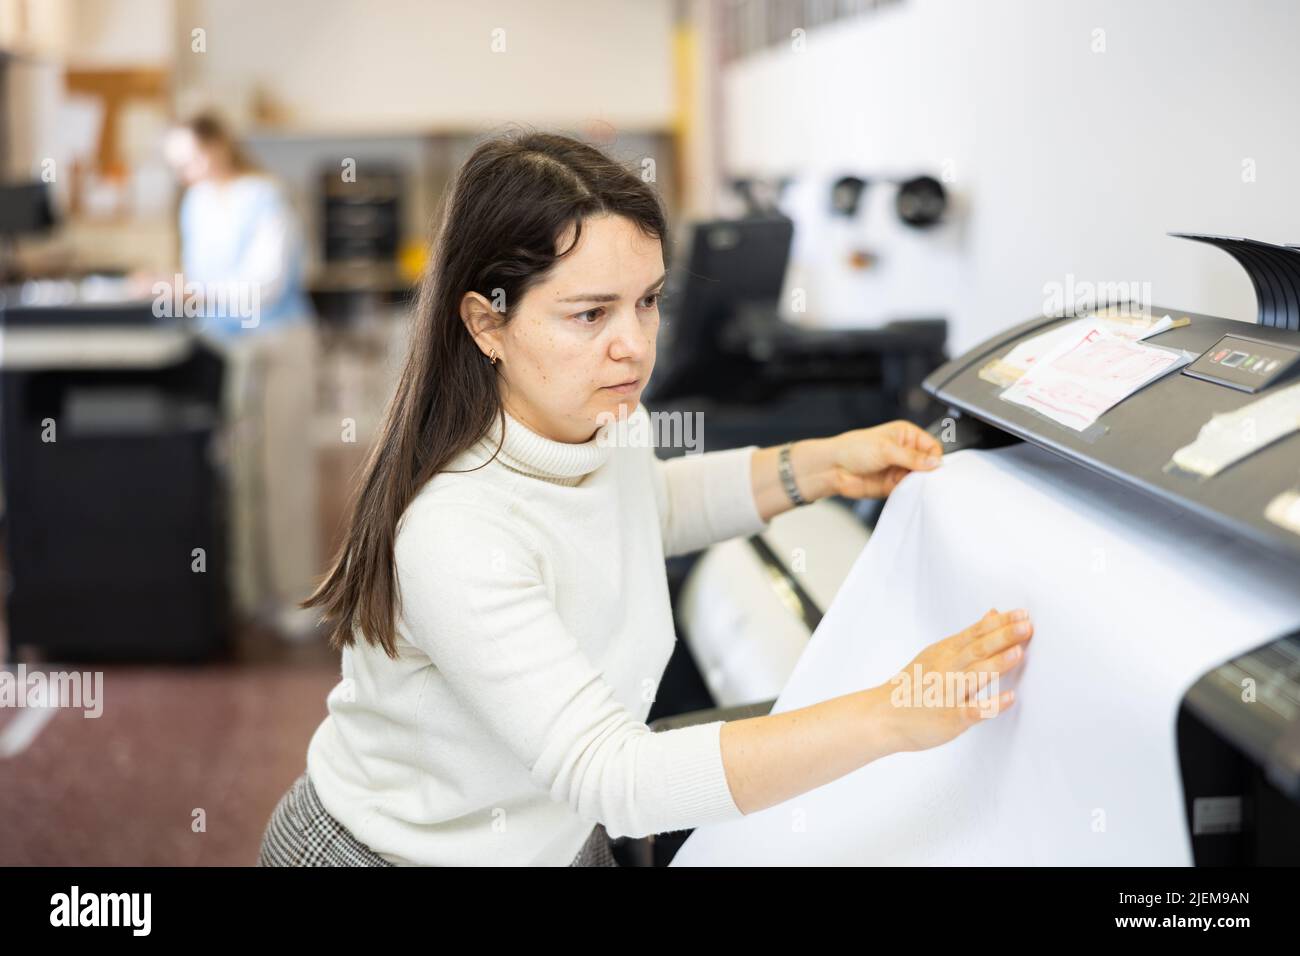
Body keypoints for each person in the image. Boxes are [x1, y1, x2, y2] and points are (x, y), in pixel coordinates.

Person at [256, 130, 1034, 867]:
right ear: (485, 323)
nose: (633, 344)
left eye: (649, 301)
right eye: (590, 313)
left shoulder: (603, 420)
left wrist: (819, 466)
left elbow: (649, 505)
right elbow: (617, 778)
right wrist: (891, 714)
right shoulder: (456, 530)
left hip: (546, 839)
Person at [161, 113, 321, 641]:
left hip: (279, 348)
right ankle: (250, 593)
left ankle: (297, 597)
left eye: (191, 158)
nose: (186, 172)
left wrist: (193, 292)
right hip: (226, 351)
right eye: (177, 165)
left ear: (217, 146)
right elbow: (200, 275)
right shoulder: (195, 204)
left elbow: (265, 287)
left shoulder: (266, 197)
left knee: (283, 473)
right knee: (239, 478)